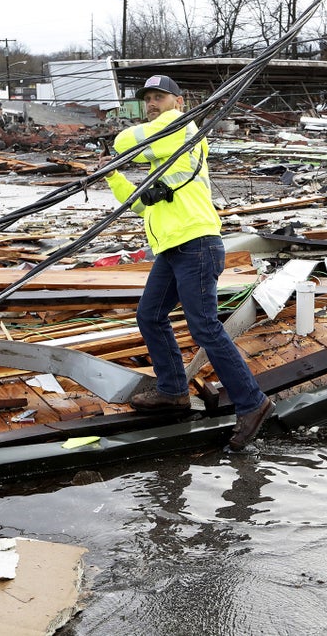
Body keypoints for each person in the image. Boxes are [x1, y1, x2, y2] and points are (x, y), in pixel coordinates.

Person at [103, 75, 274, 451]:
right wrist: (113, 175)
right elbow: (139, 205)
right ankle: (173, 392)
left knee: (205, 327)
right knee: (149, 315)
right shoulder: (162, 155)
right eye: (148, 98)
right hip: (173, 249)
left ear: (179, 102)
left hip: (196, 244)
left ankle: (253, 402)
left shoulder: (182, 130)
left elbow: (123, 141)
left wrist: (118, 149)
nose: (152, 103)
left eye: (160, 97)